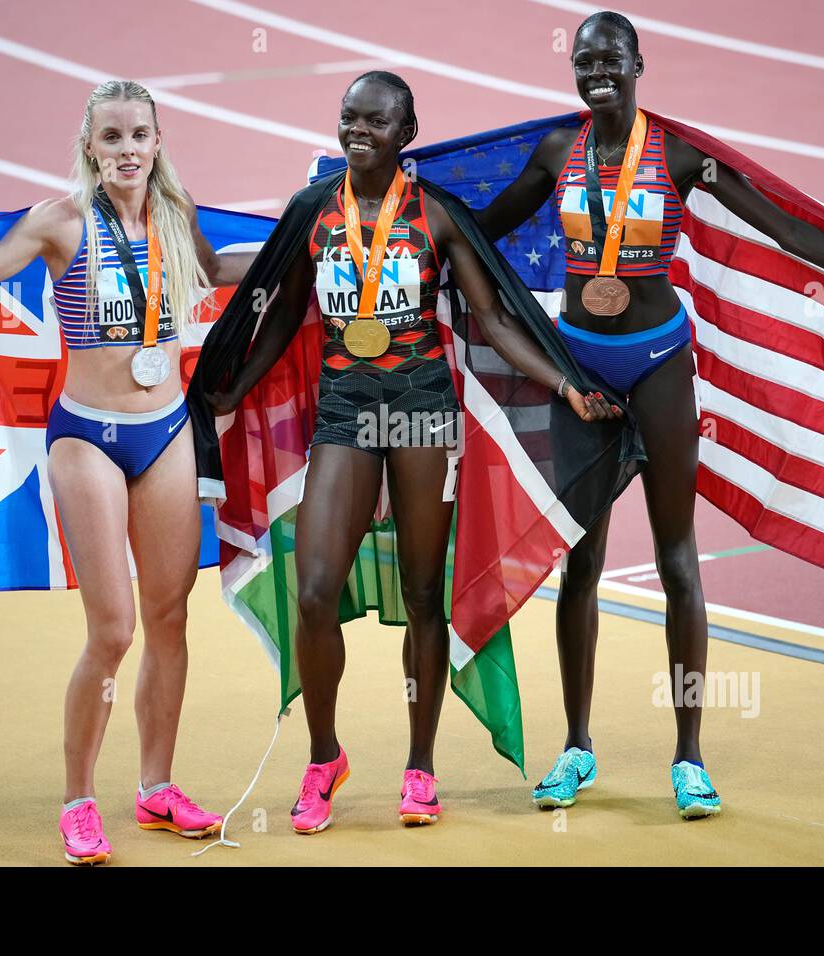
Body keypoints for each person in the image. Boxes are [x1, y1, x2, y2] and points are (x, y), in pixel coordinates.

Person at [477, 12, 824, 818]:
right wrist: (405, 230)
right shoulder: (557, 154)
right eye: (584, 59)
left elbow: (786, 228)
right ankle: (577, 748)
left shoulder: (681, 158)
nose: (597, 71)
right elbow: (481, 233)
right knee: (579, 564)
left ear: (638, 65)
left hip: (658, 365)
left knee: (676, 559)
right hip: (581, 366)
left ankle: (689, 758)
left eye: (611, 59)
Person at [203, 71, 621, 834]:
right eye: (347, 118)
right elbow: (281, 309)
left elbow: (493, 321)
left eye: (375, 121)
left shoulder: (438, 217)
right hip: (346, 413)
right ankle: (324, 756)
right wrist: (232, 390)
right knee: (314, 590)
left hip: (422, 413)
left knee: (428, 596)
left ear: (407, 133)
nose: (357, 131)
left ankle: (420, 766)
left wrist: (567, 387)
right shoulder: (312, 213)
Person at [0, 80, 255, 864]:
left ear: (157, 141)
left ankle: (155, 787)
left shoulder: (176, 217)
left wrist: (301, 251)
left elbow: (218, 272)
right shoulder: (60, 223)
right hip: (87, 441)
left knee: (171, 619)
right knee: (113, 630)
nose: (128, 151)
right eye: (112, 138)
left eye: (140, 135)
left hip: (168, 430)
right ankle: (77, 800)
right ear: (89, 148)